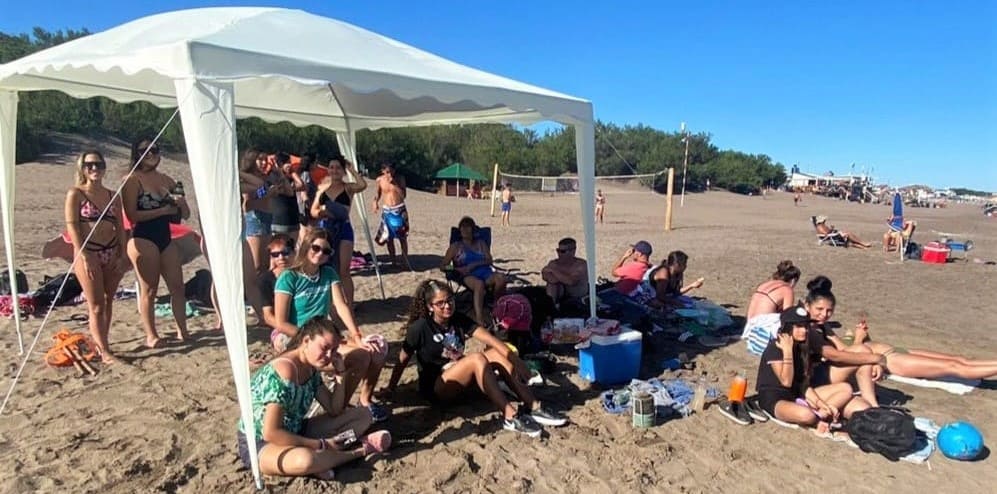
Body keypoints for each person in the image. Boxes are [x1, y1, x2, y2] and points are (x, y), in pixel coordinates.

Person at [385, 280, 567, 437]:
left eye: (449, 300)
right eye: (440, 303)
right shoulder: (420, 328)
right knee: (476, 358)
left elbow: (492, 340)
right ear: (430, 306)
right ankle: (510, 416)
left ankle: (533, 405)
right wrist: (391, 388)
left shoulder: (458, 319)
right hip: (437, 387)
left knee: (495, 353)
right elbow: (402, 360)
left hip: (460, 378)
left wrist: (518, 362)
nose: (447, 306)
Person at [236, 318, 390, 481]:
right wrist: (320, 444)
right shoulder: (285, 372)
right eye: (324, 348)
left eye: (334, 350)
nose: (329, 356)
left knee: (363, 416)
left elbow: (334, 409)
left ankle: (325, 458)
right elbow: (271, 433)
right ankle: (359, 450)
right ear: (306, 341)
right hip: (261, 442)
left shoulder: (310, 368)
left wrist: (341, 375)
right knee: (306, 460)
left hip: (296, 430)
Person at [273, 229, 390, 422]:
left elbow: (341, 305)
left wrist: (357, 335)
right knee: (359, 358)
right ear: (306, 246)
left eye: (326, 251)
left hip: (325, 336)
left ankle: (362, 400)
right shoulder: (289, 278)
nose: (320, 253)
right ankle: (340, 409)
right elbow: (280, 322)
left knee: (376, 350)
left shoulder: (328, 273)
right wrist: (308, 337)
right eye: (316, 248)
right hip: (297, 337)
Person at [750, 306, 872, 428]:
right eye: (799, 326)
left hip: (797, 395)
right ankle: (819, 418)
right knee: (806, 415)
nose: (804, 330)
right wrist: (787, 351)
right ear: (787, 327)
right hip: (775, 399)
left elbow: (803, 385)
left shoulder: (801, 348)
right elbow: (786, 381)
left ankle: (822, 414)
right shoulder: (775, 347)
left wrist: (821, 404)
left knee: (846, 389)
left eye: (806, 326)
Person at [121, 138, 190, 347]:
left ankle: (182, 330)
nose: (151, 154)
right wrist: (163, 210)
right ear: (137, 154)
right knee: (149, 289)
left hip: (165, 237)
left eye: (155, 150)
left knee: (177, 286)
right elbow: (131, 215)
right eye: (145, 151)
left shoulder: (168, 180)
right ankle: (151, 334)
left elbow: (185, 214)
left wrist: (180, 203)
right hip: (143, 237)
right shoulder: (132, 180)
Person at [64, 150, 128, 363]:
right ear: (82, 168)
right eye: (89, 165)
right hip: (88, 252)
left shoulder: (112, 196)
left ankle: (104, 343)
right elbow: (72, 226)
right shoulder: (76, 193)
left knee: (109, 300)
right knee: (96, 304)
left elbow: (120, 226)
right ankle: (103, 350)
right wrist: (84, 254)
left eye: (98, 165)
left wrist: (122, 252)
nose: (94, 169)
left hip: (111, 251)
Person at [310, 155, 367, 307]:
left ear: (342, 171)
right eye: (331, 167)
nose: (334, 170)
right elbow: (313, 211)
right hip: (326, 229)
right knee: (325, 268)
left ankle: (349, 304)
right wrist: (323, 210)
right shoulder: (322, 188)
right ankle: (329, 302)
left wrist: (351, 169)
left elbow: (362, 185)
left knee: (344, 270)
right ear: (328, 169)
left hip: (344, 228)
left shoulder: (348, 188)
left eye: (338, 168)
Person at [441, 216, 507, 326]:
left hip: (485, 272)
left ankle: (496, 307)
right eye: (462, 227)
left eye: (467, 227)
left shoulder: (481, 243)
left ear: (473, 230)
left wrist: (474, 264)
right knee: (479, 284)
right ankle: (479, 318)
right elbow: (443, 266)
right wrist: (456, 269)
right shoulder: (456, 247)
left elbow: (489, 260)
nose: (464, 230)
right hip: (467, 274)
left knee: (501, 278)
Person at [742, 260, 802, 355]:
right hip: (763, 330)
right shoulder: (787, 289)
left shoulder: (765, 284)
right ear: (793, 280)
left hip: (750, 327)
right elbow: (787, 316)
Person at [240, 150, 282, 274]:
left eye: (265, 159)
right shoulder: (249, 179)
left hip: (267, 219)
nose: (264, 163)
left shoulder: (264, 178)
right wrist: (268, 195)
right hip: (255, 220)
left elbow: (288, 190)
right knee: (256, 265)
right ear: (252, 160)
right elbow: (247, 206)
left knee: (265, 265)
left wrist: (278, 171)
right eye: (260, 159)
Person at [371, 162, 410, 268]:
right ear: (383, 171)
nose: (390, 174)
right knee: (388, 238)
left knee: (402, 237)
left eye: (391, 171)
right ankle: (393, 261)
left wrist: (395, 184)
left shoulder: (400, 179)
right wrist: (375, 202)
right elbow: (377, 194)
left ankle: (405, 261)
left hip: (399, 209)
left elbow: (403, 195)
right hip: (387, 210)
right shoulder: (380, 180)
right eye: (387, 172)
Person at [540, 237, 589, 312]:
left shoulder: (581, 264)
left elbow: (571, 281)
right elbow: (547, 277)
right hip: (559, 296)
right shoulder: (554, 263)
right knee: (552, 285)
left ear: (573, 251)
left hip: (577, 298)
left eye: (562, 251)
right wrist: (563, 278)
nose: (559, 253)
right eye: (558, 250)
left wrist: (554, 271)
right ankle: (552, 309)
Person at [259, 233, 295, 330]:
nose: (281, 258)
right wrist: (290, 330)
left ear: (294, 252)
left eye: (285, 253)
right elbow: (268, 316)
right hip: (280, 328)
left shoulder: (302, 275)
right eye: (275, 254)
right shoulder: (266, 279)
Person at [270, 152, 306, 245]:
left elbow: (302, 186)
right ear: (280, 164)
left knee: (292, 249)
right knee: (280, 247)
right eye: (288, 162)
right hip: (279, 220)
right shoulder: (274, 177)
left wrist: (292, 173)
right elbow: (299, 186)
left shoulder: (289, 178)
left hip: (293, 219)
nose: (290, 165)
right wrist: (292, 173)